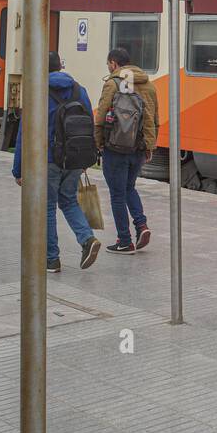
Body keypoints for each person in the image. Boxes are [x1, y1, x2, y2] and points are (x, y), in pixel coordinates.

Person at [12, 52, 102, 273]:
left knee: (47, 207)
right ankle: (87, 239)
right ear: (60, 66)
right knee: (69, 201)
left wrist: (18, 169)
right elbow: (89, 124)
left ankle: (51, 259)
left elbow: (24, 133)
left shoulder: (37, 91)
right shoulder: (79, 90)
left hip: (48, 159)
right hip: (73, 158)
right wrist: (86, 158)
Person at [94, 47, 158, 255]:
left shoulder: (112, 83)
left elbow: (101, 118)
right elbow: (153, 119)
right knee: (129, 188)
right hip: (138, 148)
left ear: (113, 63)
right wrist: (149, 145)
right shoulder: (148, 85)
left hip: (115, 148)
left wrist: (98, 144)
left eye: (108, 64)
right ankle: (142, 225)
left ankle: (124, 241)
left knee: (117, 194)